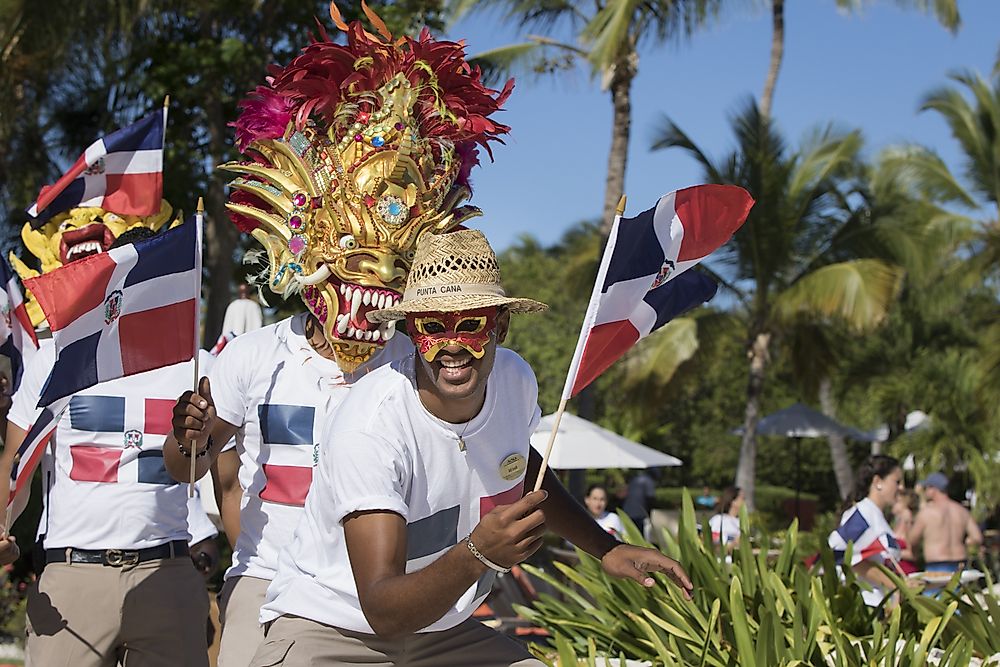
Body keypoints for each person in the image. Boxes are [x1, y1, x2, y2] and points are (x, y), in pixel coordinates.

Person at [163, 11, 517, 666]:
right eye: (355, 251)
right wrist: (188, 433)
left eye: (396, 253)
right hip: (275, 582)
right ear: (307, 246)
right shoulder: (254, 357)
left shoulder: (427, 361)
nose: (377, 271)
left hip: (394, 589)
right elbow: (184, 467)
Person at [243, 230, 692, 666]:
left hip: (443, 633)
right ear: (412, 332)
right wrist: (478, 553)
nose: (452, 347)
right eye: (433, 327)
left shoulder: (515, 381)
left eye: (471, 324)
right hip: (334, 629)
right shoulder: (371, 424)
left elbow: (520, 466)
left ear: (501, 325)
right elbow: (382, 609)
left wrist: (606, 548)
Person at [0, 226, 212, 667]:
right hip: (72, 571)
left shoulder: (199, 365)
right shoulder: (61, 354)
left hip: (166, 570)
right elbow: (16, 462)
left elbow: (218, 472)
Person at [828, 455, 904, 607]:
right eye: (897, 482)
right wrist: (895, 586)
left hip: (879, 604)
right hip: (865, 606)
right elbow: (845, 557)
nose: (901, 488)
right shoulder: (863, 513)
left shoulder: (874, 514)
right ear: (878, 482)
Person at [909, 472, 983, 574]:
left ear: (933, 489)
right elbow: (977, 537)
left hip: (936, 565)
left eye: (926, 488)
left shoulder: (926, 512)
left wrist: (915, 552)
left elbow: (913, 539)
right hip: (959, 565)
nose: (925, 492)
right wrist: (966, 542)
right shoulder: (962, 511)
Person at [891, 488, 919, 574]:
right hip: (895, 573)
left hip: (906, 573)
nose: (893, 504)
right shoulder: (898, 523)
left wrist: (893, 553)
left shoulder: (908, 523)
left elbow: (913, 554)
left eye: (897, 501)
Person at [622, 469, 657, 537]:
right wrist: (649, 513)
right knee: (639, 537)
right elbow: (650, 498)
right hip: (639, 513)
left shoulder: (636, 479)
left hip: (628, 511)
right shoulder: (648, 481)